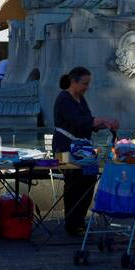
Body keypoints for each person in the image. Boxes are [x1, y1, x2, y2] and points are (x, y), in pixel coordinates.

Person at [52, 67, 117, 236]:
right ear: (73, 82)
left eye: (88, 84)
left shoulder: (81, 99)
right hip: (64, 147)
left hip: (83, 148)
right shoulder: (63, 99)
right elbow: (78, 121)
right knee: (73, 180)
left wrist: (106, 124)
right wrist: (101, 120)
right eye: (84, 83)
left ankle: (79, 219)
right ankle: (72, 223)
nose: (87, 87)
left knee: (89, 178)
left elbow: (88, 122)